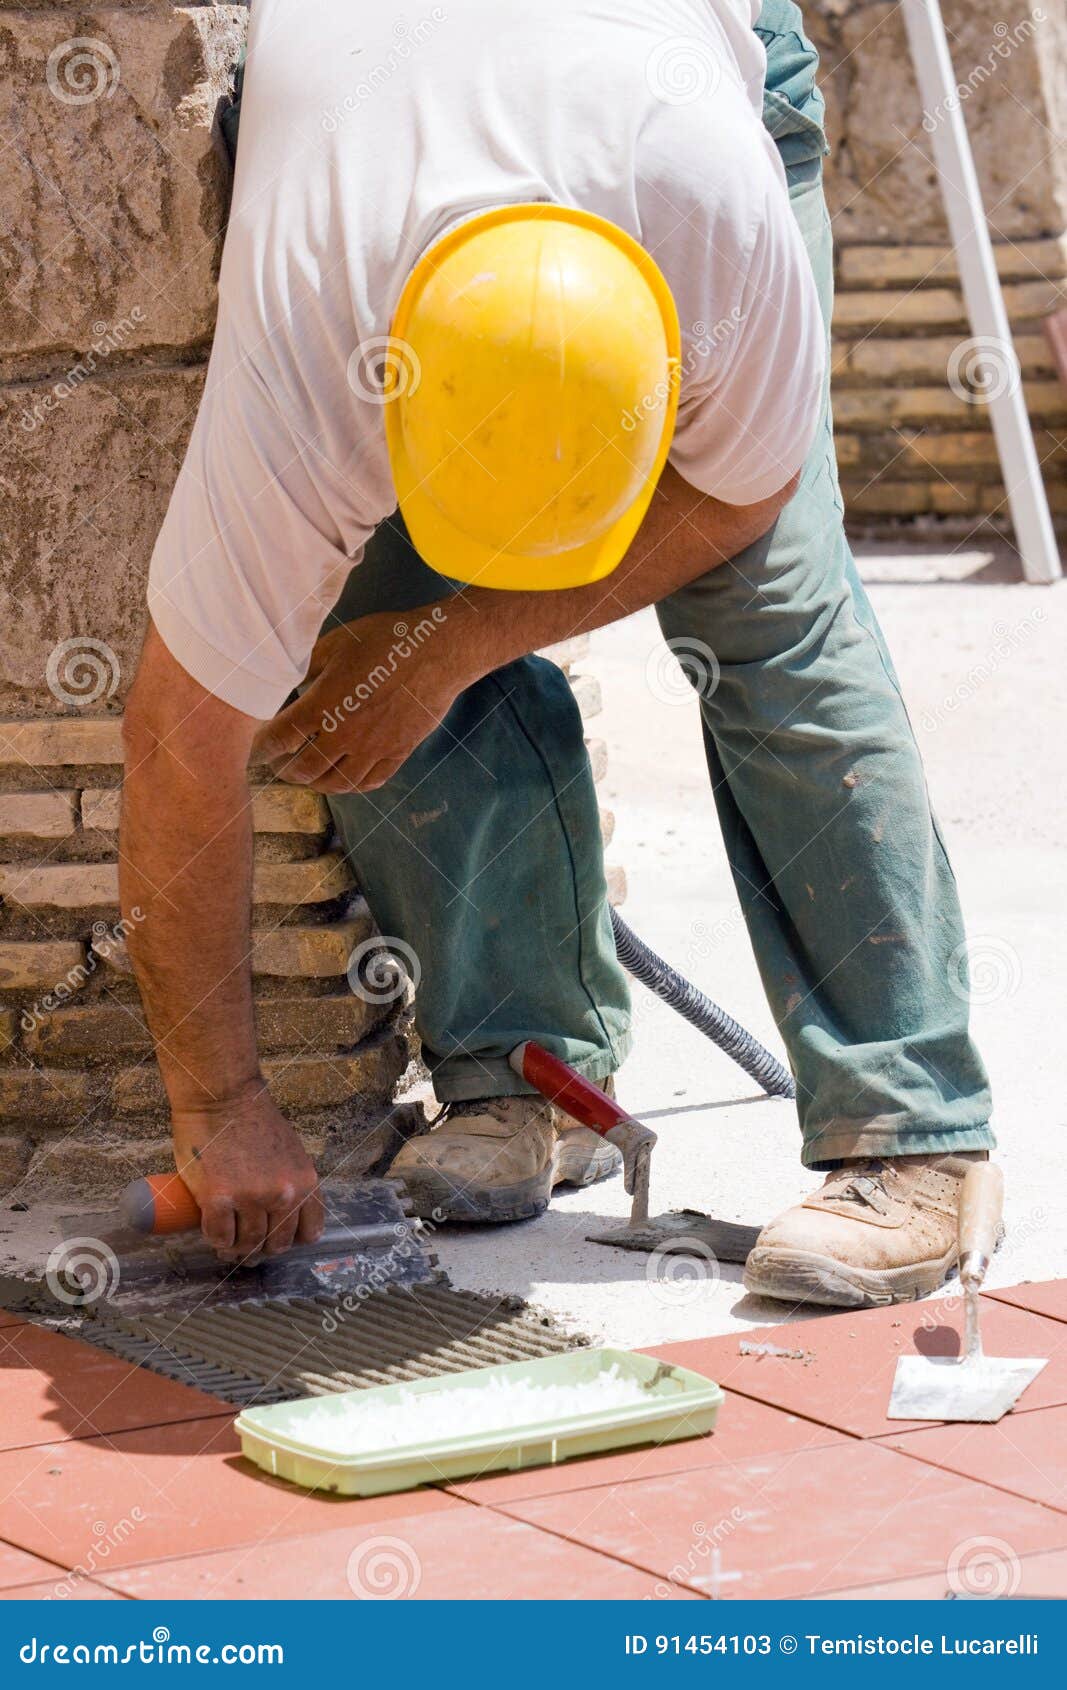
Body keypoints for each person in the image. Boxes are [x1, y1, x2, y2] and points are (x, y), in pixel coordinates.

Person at [122, 0, 993, 1308]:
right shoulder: (308, 343)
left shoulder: (718, 225)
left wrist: (463, 637)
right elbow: (176, 744)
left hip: (692, 58)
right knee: (367, 649)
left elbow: (739, 500)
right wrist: (222, 1107)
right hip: (375, 96)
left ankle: (915, 1134)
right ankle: (528, 1070)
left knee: (768, 617)